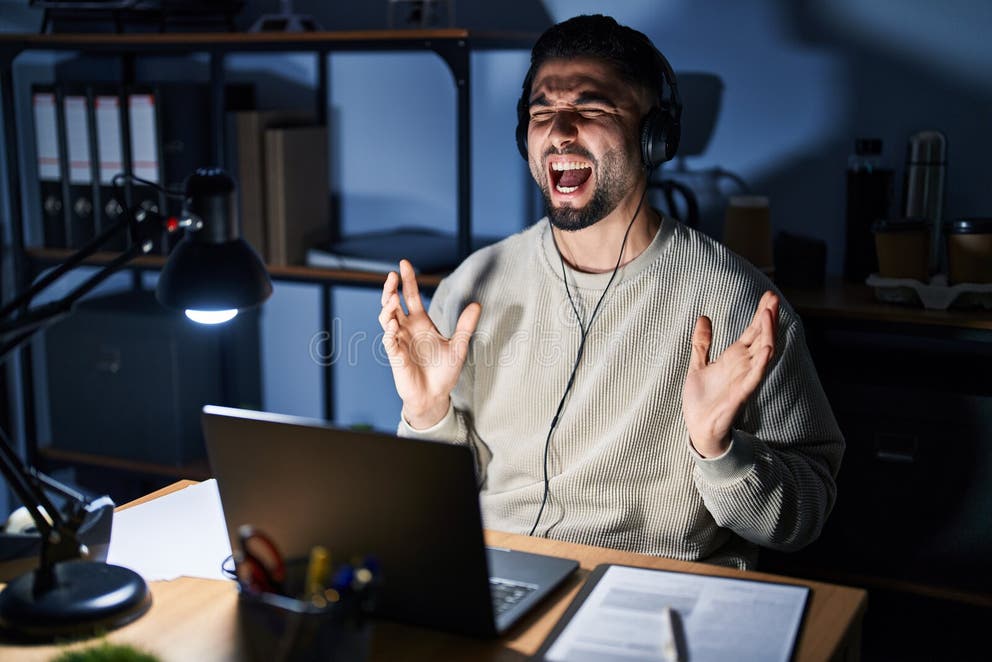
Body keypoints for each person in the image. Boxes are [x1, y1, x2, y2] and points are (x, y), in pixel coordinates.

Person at [378, 14, 843, 570]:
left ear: (654, 136)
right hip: (498, 576)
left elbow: (805, 517)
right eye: (541, 112)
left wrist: (719, 450)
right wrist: (428, 415)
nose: (559, 130)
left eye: (592, 108)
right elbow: (439, 500)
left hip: (649, 587)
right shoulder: (473, 284)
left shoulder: (736, 303)